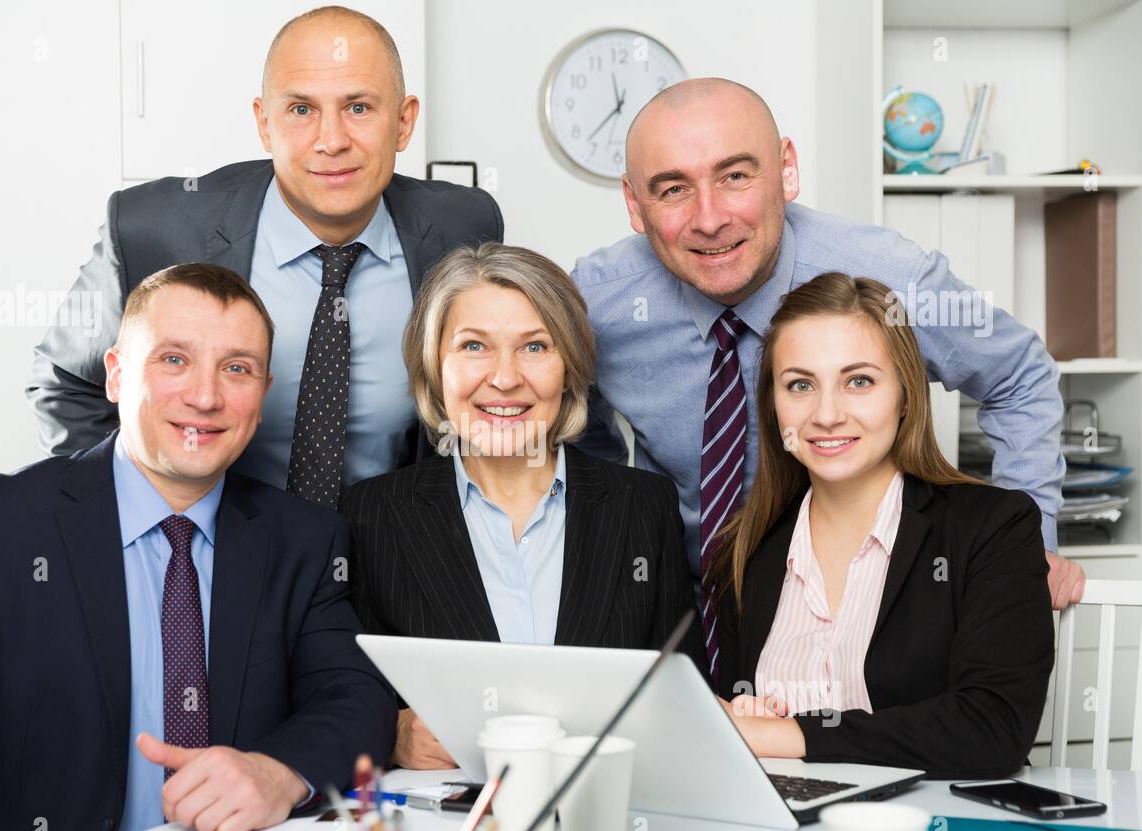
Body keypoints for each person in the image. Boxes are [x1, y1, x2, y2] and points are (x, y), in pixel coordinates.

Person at [0, 264, 396, 831]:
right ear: (115, 374)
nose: (206, 396)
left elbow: (355, 701)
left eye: (237, 368)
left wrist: (276, 773)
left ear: (264, 390)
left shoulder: (305, 540)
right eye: (173, 360)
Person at [571, 77, 1083, 689]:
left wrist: (1031, 545)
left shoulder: (887, 278)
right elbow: (571, 426)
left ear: (786, 171)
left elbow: (1019, 375)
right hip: (680, 615)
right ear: (634, 205)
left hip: (872, 618)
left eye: (736, 176)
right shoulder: (597, 305)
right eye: (673, 189)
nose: (709, 219)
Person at [28, 5, 503, 508]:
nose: (332, 141)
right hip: (210, 552)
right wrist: (134, 518)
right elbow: (67, 384)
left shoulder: (464, 228)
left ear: (404, 122)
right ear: (264, 123)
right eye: (301, 109)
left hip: (389, 552)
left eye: (359, 107)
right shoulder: (152, 230)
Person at [340, 243, 703, 770]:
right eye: (473, 347)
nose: (506, 378)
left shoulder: (642, 507)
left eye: (535, 348)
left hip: (605, 817)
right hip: (447, 830)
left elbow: (682, 698)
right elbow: (338, 692)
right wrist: (391, 732)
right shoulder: (369, 517)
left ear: (569, 367)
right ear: (433, 365)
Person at [708, 272, 1054, 779]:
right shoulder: (745, 549)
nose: (827, 414)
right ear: (773, 405)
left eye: (859, 381)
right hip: (789, 822)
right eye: (800, 385)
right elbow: (739, 726)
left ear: (906, 397)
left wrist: (789, 734)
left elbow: (992, 729)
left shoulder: (992, 529)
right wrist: (750, 714)